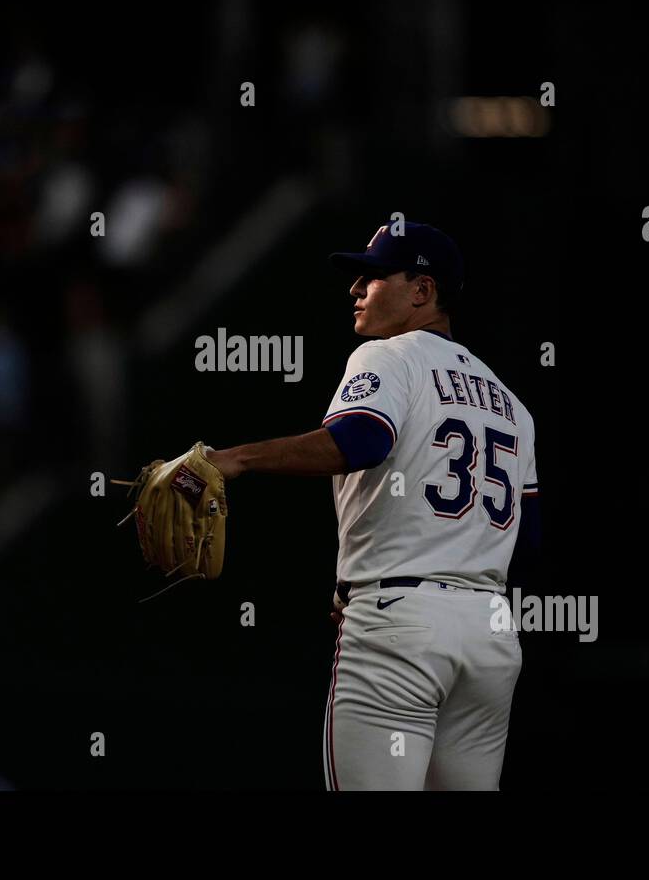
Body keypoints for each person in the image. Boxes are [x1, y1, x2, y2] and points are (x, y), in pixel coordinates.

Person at [206, 220, 539, 790]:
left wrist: (234, 459)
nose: (355, 289)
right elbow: (524, 539)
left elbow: (359, 441)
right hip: (490, 635)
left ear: (422, 291)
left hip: (399, 627)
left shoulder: (388, 358)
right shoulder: (512, 405)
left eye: (374, 275)